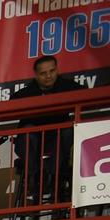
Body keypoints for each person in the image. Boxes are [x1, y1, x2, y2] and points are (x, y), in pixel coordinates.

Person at [13, 54, 81, 210]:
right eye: (44, 73)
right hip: (34, 141)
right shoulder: (28, 92)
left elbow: (89, 96)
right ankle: (34, 179)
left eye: (52, 71)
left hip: (57, 140)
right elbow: (12, 102)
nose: (49, 76)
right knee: (29, 132)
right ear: (36, 75)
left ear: (57, 70)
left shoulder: (67, 86)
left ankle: (55, 178)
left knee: (67, 130)